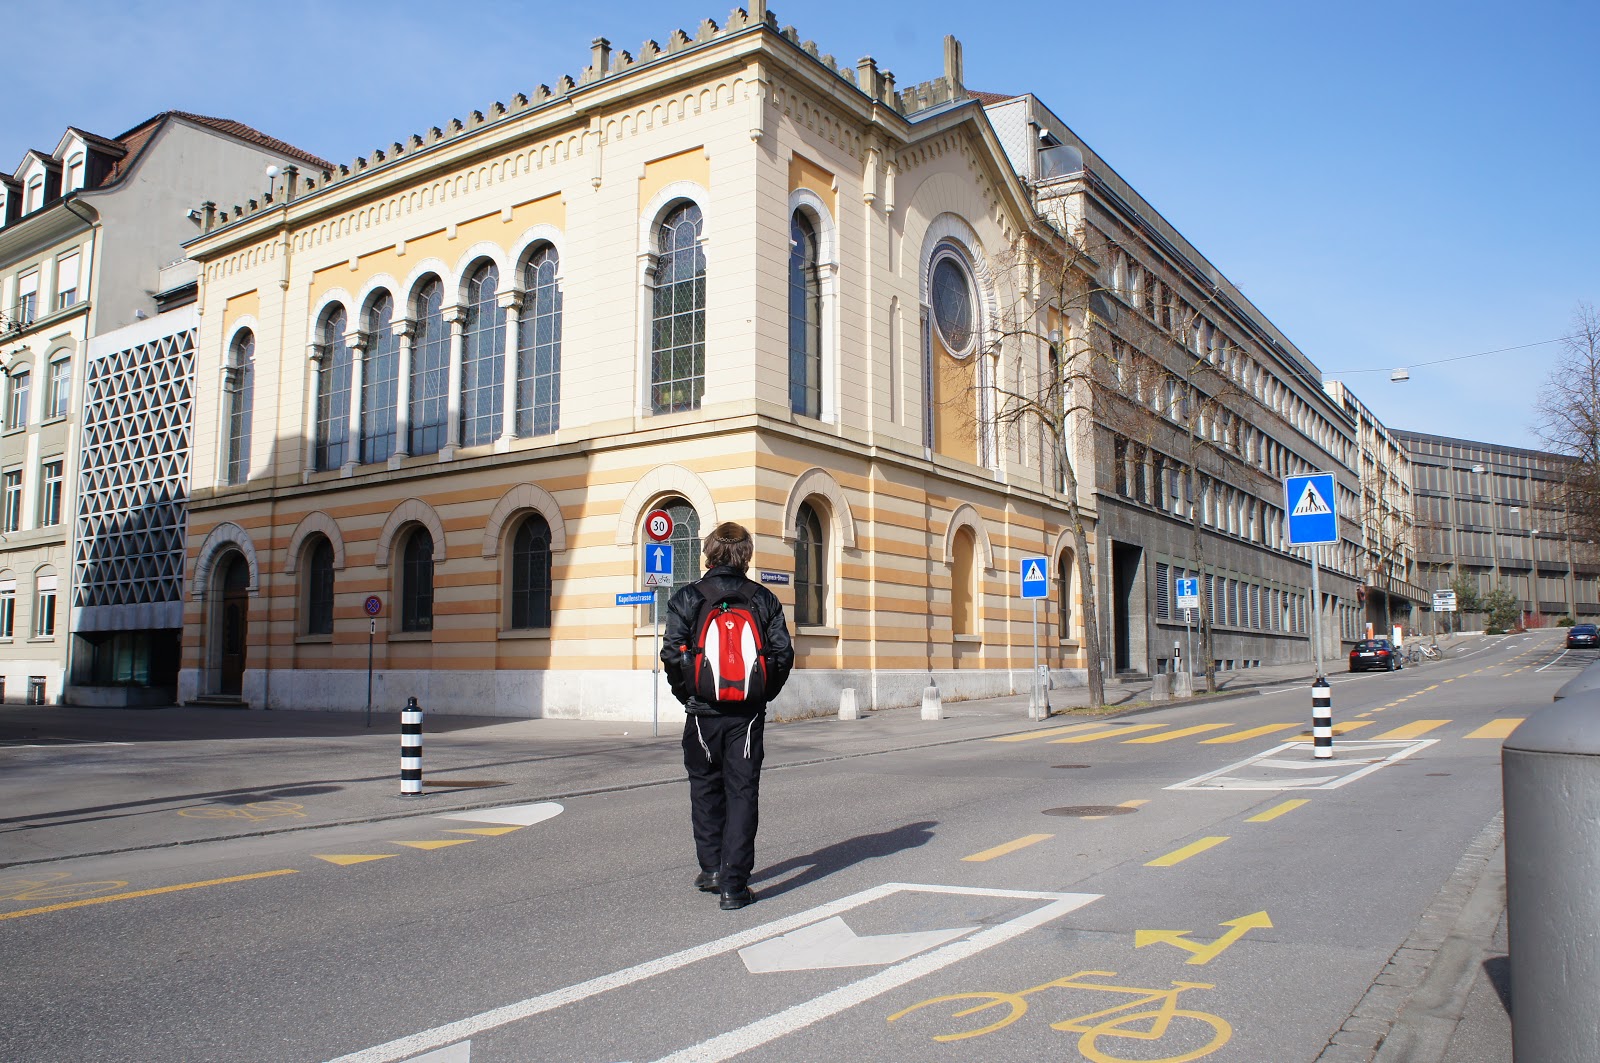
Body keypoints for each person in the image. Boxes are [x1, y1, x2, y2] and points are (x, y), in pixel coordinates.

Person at [661, 521, 793, 910]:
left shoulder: (687, 597)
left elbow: (672, 656)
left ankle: (711, 870)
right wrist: (760, 694)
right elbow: (783, 656)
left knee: (704, 789)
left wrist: (689, 695)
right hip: (747, 717)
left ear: (709, 552)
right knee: (742, 792)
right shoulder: (763, 599)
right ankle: (734, 886)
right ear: (746, 555)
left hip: (702, 714)